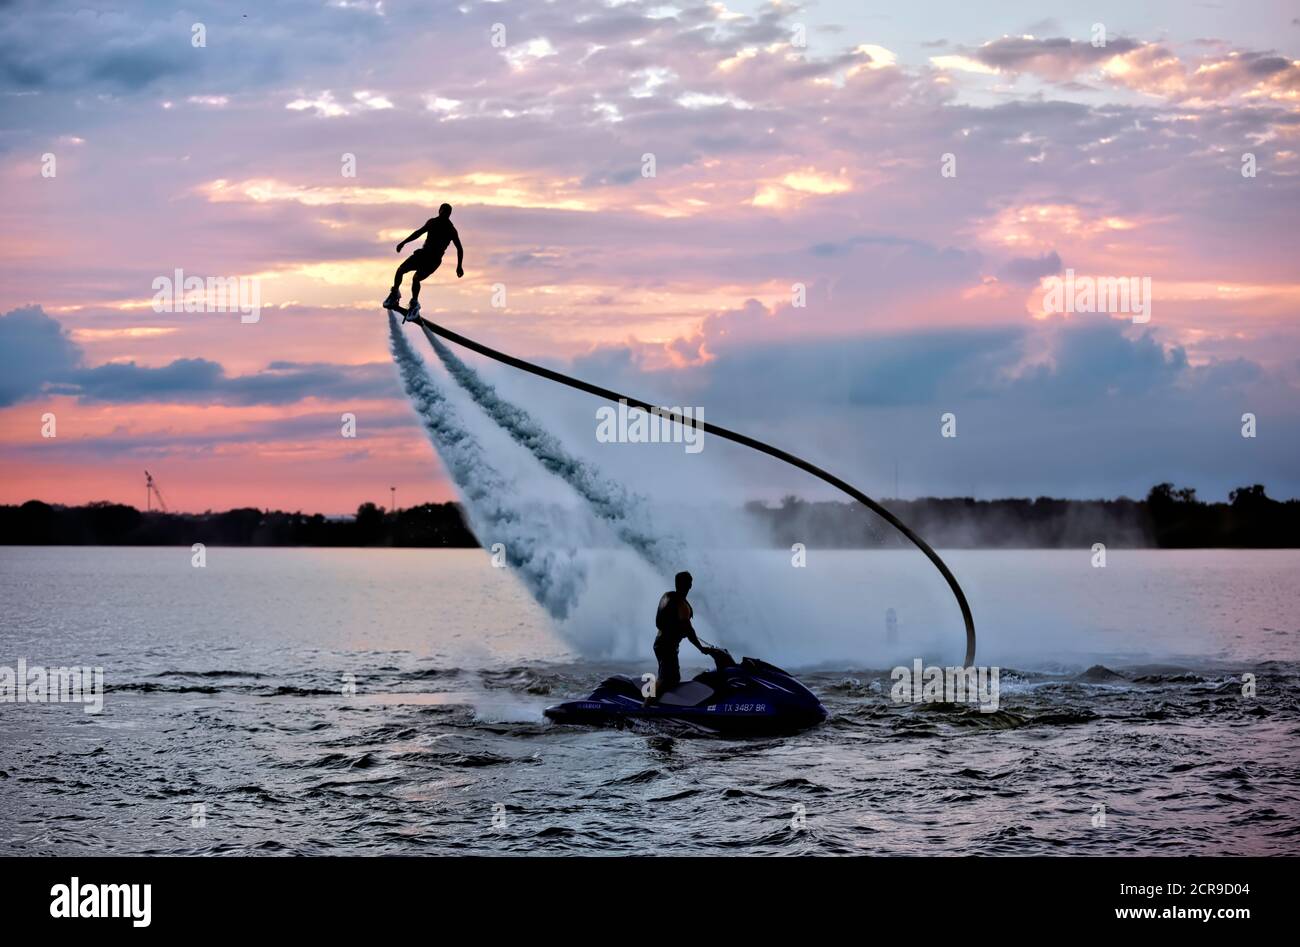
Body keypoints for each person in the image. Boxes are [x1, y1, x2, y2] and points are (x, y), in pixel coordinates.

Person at [383, 203, 464, 320]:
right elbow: (418, 233)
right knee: (400, 270)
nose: (444, 214)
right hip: (422, 255)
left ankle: (415, 303)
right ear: (439, 211)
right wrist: (403, 242)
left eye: (447, 212)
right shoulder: (432, 222)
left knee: (416, 278)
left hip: (433, 260)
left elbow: (460, 249)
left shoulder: (451, 230)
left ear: (449, 214)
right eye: (443, 211)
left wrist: (459, 266)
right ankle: (395, 292)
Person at [647, 571, 718, 703]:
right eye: (688, 582)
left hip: (662, 643)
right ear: (689, 585)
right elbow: (689, 630)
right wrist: (701, 648)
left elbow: (660, 622)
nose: (689, 585)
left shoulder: (666, 597)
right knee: (666, 678)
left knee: (673, 678)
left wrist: (675, 629)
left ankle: (663, 703)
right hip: (666, 645)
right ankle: (645, 707)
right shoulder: (682, 605)